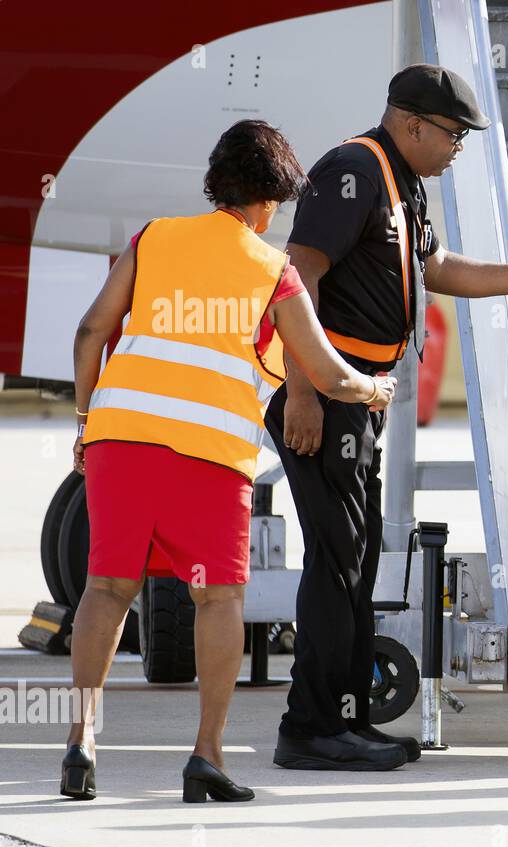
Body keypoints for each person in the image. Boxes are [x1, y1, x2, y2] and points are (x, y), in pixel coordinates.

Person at [270, 64, 508, 771]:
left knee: (353, 563)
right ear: (410, 123)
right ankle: (309, 727)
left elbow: (440, 268)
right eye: (452, 134)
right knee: (337, 562)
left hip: (358, 398)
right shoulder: (355, 169)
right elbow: (296, 275)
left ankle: (343, 719)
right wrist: (301, 391)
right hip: (327, 398)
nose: (458, 147)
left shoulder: (402, 181)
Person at [64, 120, 396, 803]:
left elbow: (92, 329)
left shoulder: (154, 238)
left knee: (106, 588)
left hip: (120, 439)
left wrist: (85, 419)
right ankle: (206, 756)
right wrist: (374, 388)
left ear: (218, 182)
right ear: (272, 198)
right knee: (217, 598)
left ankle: (81, 740)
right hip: (208, 453)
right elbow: (328, 375)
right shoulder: (274, 270)